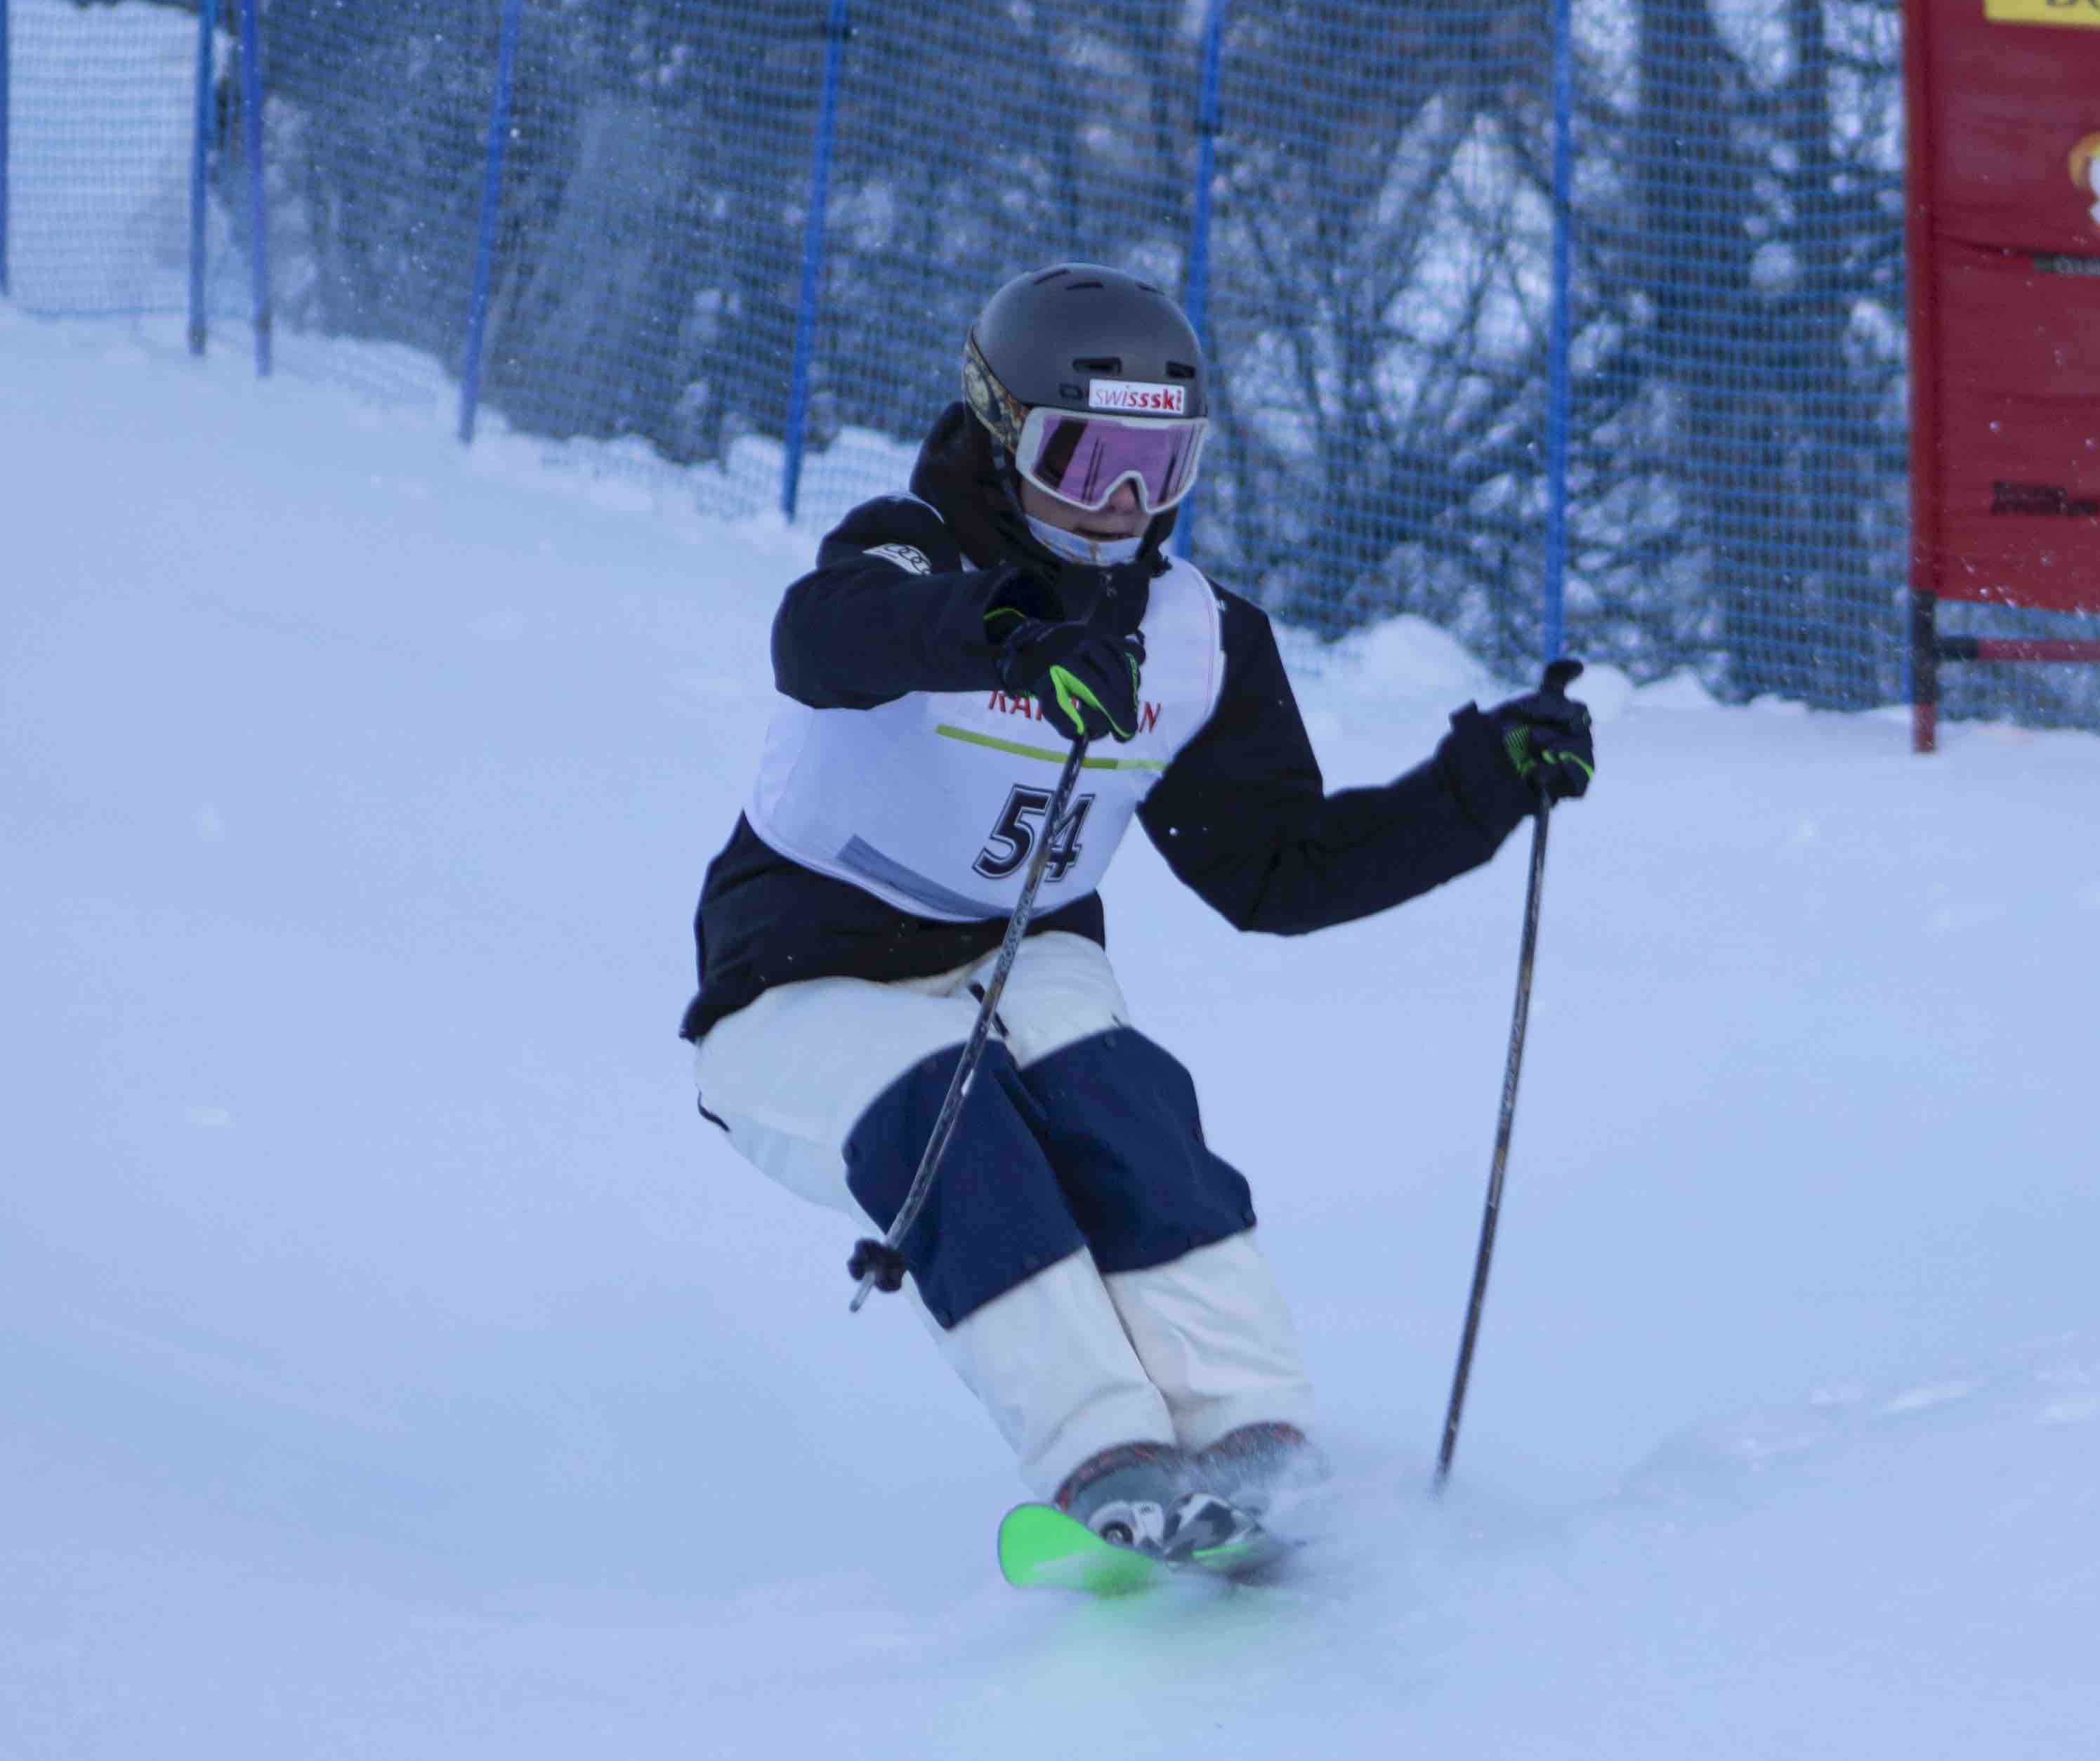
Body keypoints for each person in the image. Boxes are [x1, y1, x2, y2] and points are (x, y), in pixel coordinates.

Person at [681, 263, 1596, 1552]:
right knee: (955, 1120)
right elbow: (824, 638)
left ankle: (1251, 1436)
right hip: (798, 979)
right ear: (1001, 437)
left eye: (1159, 468)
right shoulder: (915, 551)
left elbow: (1278, 872)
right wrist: (1008, 636)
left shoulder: (1198, 638)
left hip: (1028, 956)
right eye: (1086, 458)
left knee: (1126, 1116)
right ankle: (1100, 1452)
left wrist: (1479, 788)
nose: (1121, 506)